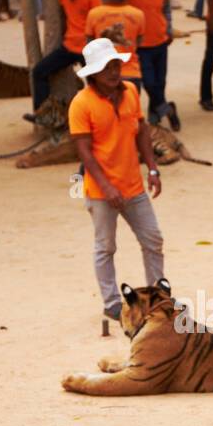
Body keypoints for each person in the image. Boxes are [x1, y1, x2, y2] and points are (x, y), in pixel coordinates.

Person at [68, 38, 166, 322]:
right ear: (93, 73)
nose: (113, 71)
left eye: (114, 65)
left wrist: (153, 168)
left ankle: (157, 295)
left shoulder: (132, 92)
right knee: (105, 247)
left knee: (153, 239)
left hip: (133, 185)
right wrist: (107, 186)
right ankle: (111, 302)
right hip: (101, 192)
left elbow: (142, 131)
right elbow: (84, 151)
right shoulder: (81, 104)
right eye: (106, 67)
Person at [31, 0, 101, 110]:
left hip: (88, 48)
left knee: (97, 86)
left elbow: (98, 21)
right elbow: (63, 16)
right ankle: (43, 113)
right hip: (69, 46)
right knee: (39, 72)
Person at [127, 0, 178, 129]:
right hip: (140, 44)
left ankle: (154, 117)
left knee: (160, 82)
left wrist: (169, 30)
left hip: (160, 41)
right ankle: (167, 109)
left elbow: (166, 11)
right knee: (148, 82)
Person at [86, 0, 146, 93]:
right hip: (131, 74)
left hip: (103, 76)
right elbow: (138, 42)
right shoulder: (138, 15)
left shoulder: (94, 14)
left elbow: (89, 44)